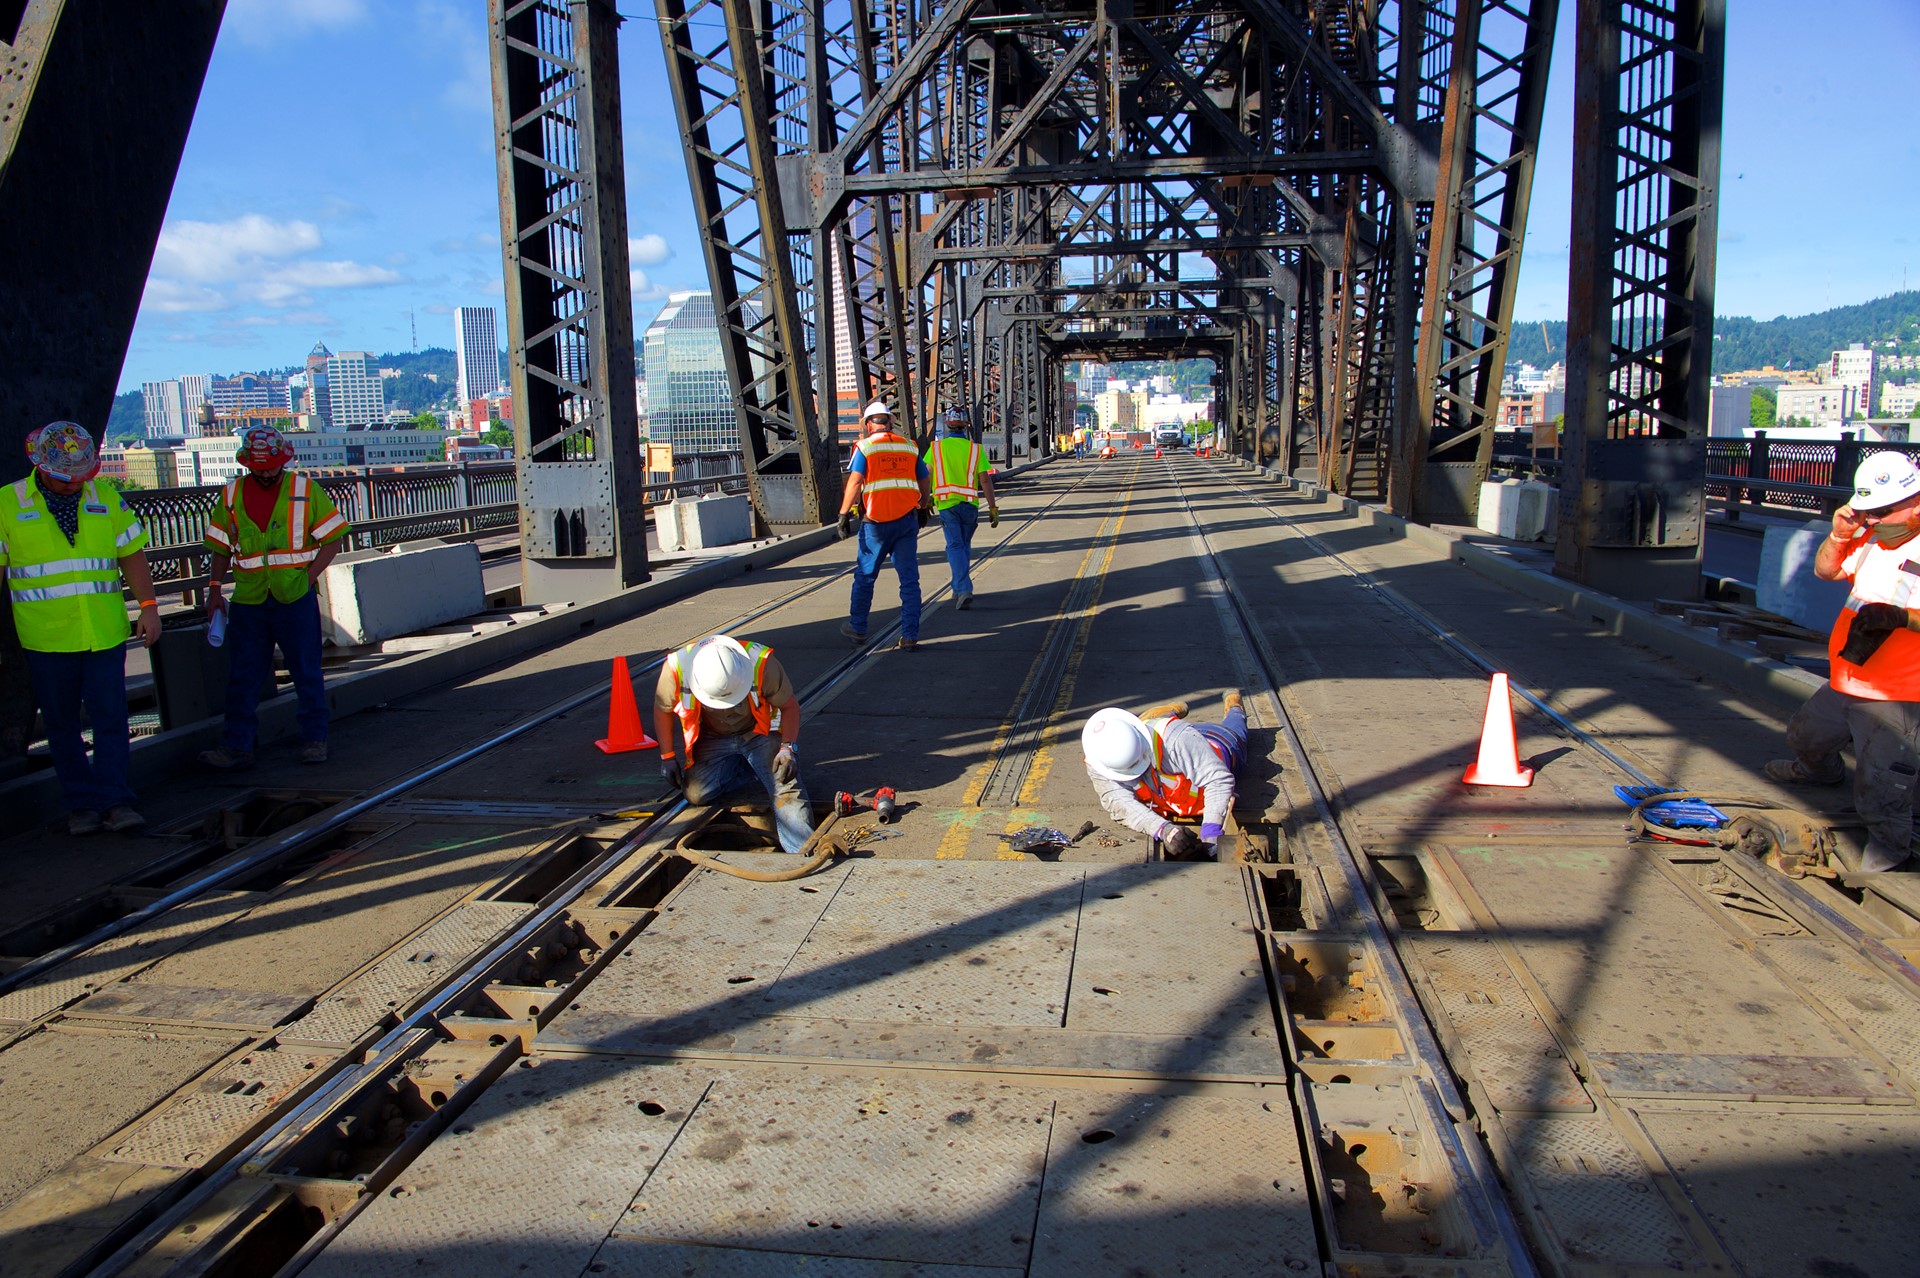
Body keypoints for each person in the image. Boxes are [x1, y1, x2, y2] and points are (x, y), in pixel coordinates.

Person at [1, 422, 160, 834]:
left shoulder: (104, 496)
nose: (74, 485)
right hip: (47, 636)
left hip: (103, 631)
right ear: (40, 466)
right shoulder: (8, 503)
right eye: (65, 478)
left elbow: (132, 554)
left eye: (79, 477)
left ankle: (115, 800)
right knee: (61, 724)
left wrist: (148, 607)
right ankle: (81, 805)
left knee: (110, 718)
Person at [1768, 452, 1920, 873]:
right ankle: (1819, 772)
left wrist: (1902, 618)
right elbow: (1826, 572)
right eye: (1866, 512)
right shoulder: (1872, 537)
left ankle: (1889, 860)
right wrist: (1838, 536)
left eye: (1880, 512)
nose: (1870, 521)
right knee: (1805, 736)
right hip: (1848, 678)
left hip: (1898, 694)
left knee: (1881, 790)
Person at [198, 425, 349, 769]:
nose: (265, 473)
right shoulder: (232, 494)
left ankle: (314, 738)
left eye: (270, 467)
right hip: (249, 600)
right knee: (243, 674)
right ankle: (237, 745)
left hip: (293, 597)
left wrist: (308, 578)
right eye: (258, 468)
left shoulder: (304, 490)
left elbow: (334, 538)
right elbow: (220, 547)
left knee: (306, 670)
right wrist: (214, 588)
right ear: (247, 464)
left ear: (283, 461)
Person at [653, 633, 815, 854]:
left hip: (758, 732)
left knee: (784, 785)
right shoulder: (676, 669)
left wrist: (788, 748)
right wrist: (667, 756)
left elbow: (789, 707)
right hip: (713, 737)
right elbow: (662, 709)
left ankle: (801, 853)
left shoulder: (762, 663)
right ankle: (749, 768)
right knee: (696, 793)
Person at [1082, 692, 1246, 860]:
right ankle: (1164, 714)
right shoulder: (1099, 759)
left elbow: (1218, 780)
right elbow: (1117, 802)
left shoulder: (1176, 740)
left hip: (1216, 740)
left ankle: (1234, 706)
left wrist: (1211, 831)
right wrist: (1163, 829)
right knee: (1159, 727)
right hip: (1177, 769)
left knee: (1237, 730)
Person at [835, 400, 933, 652]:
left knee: (866, 577)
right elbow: (924, 477)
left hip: (875, 524)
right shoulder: (909, 447)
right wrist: (923, 505)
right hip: (905, 521)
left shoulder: (866, 448)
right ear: (890, 422)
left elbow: (855, 481)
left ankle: (858, 627)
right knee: (909, 581)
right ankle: (910, 635)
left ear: (869, 425)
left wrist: (844, 514)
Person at [924, 406, 998, 609]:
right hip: (970, 505)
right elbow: (985, 480)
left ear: (948, 425)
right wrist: (992, 507)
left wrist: (926, 499)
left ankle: (964, 588)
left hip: (947, 504)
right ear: (966, 426)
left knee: (955, 546)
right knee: (963, 546)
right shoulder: (975, 449)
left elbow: (926, 474)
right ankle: (958, 588)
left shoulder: (936, 448)